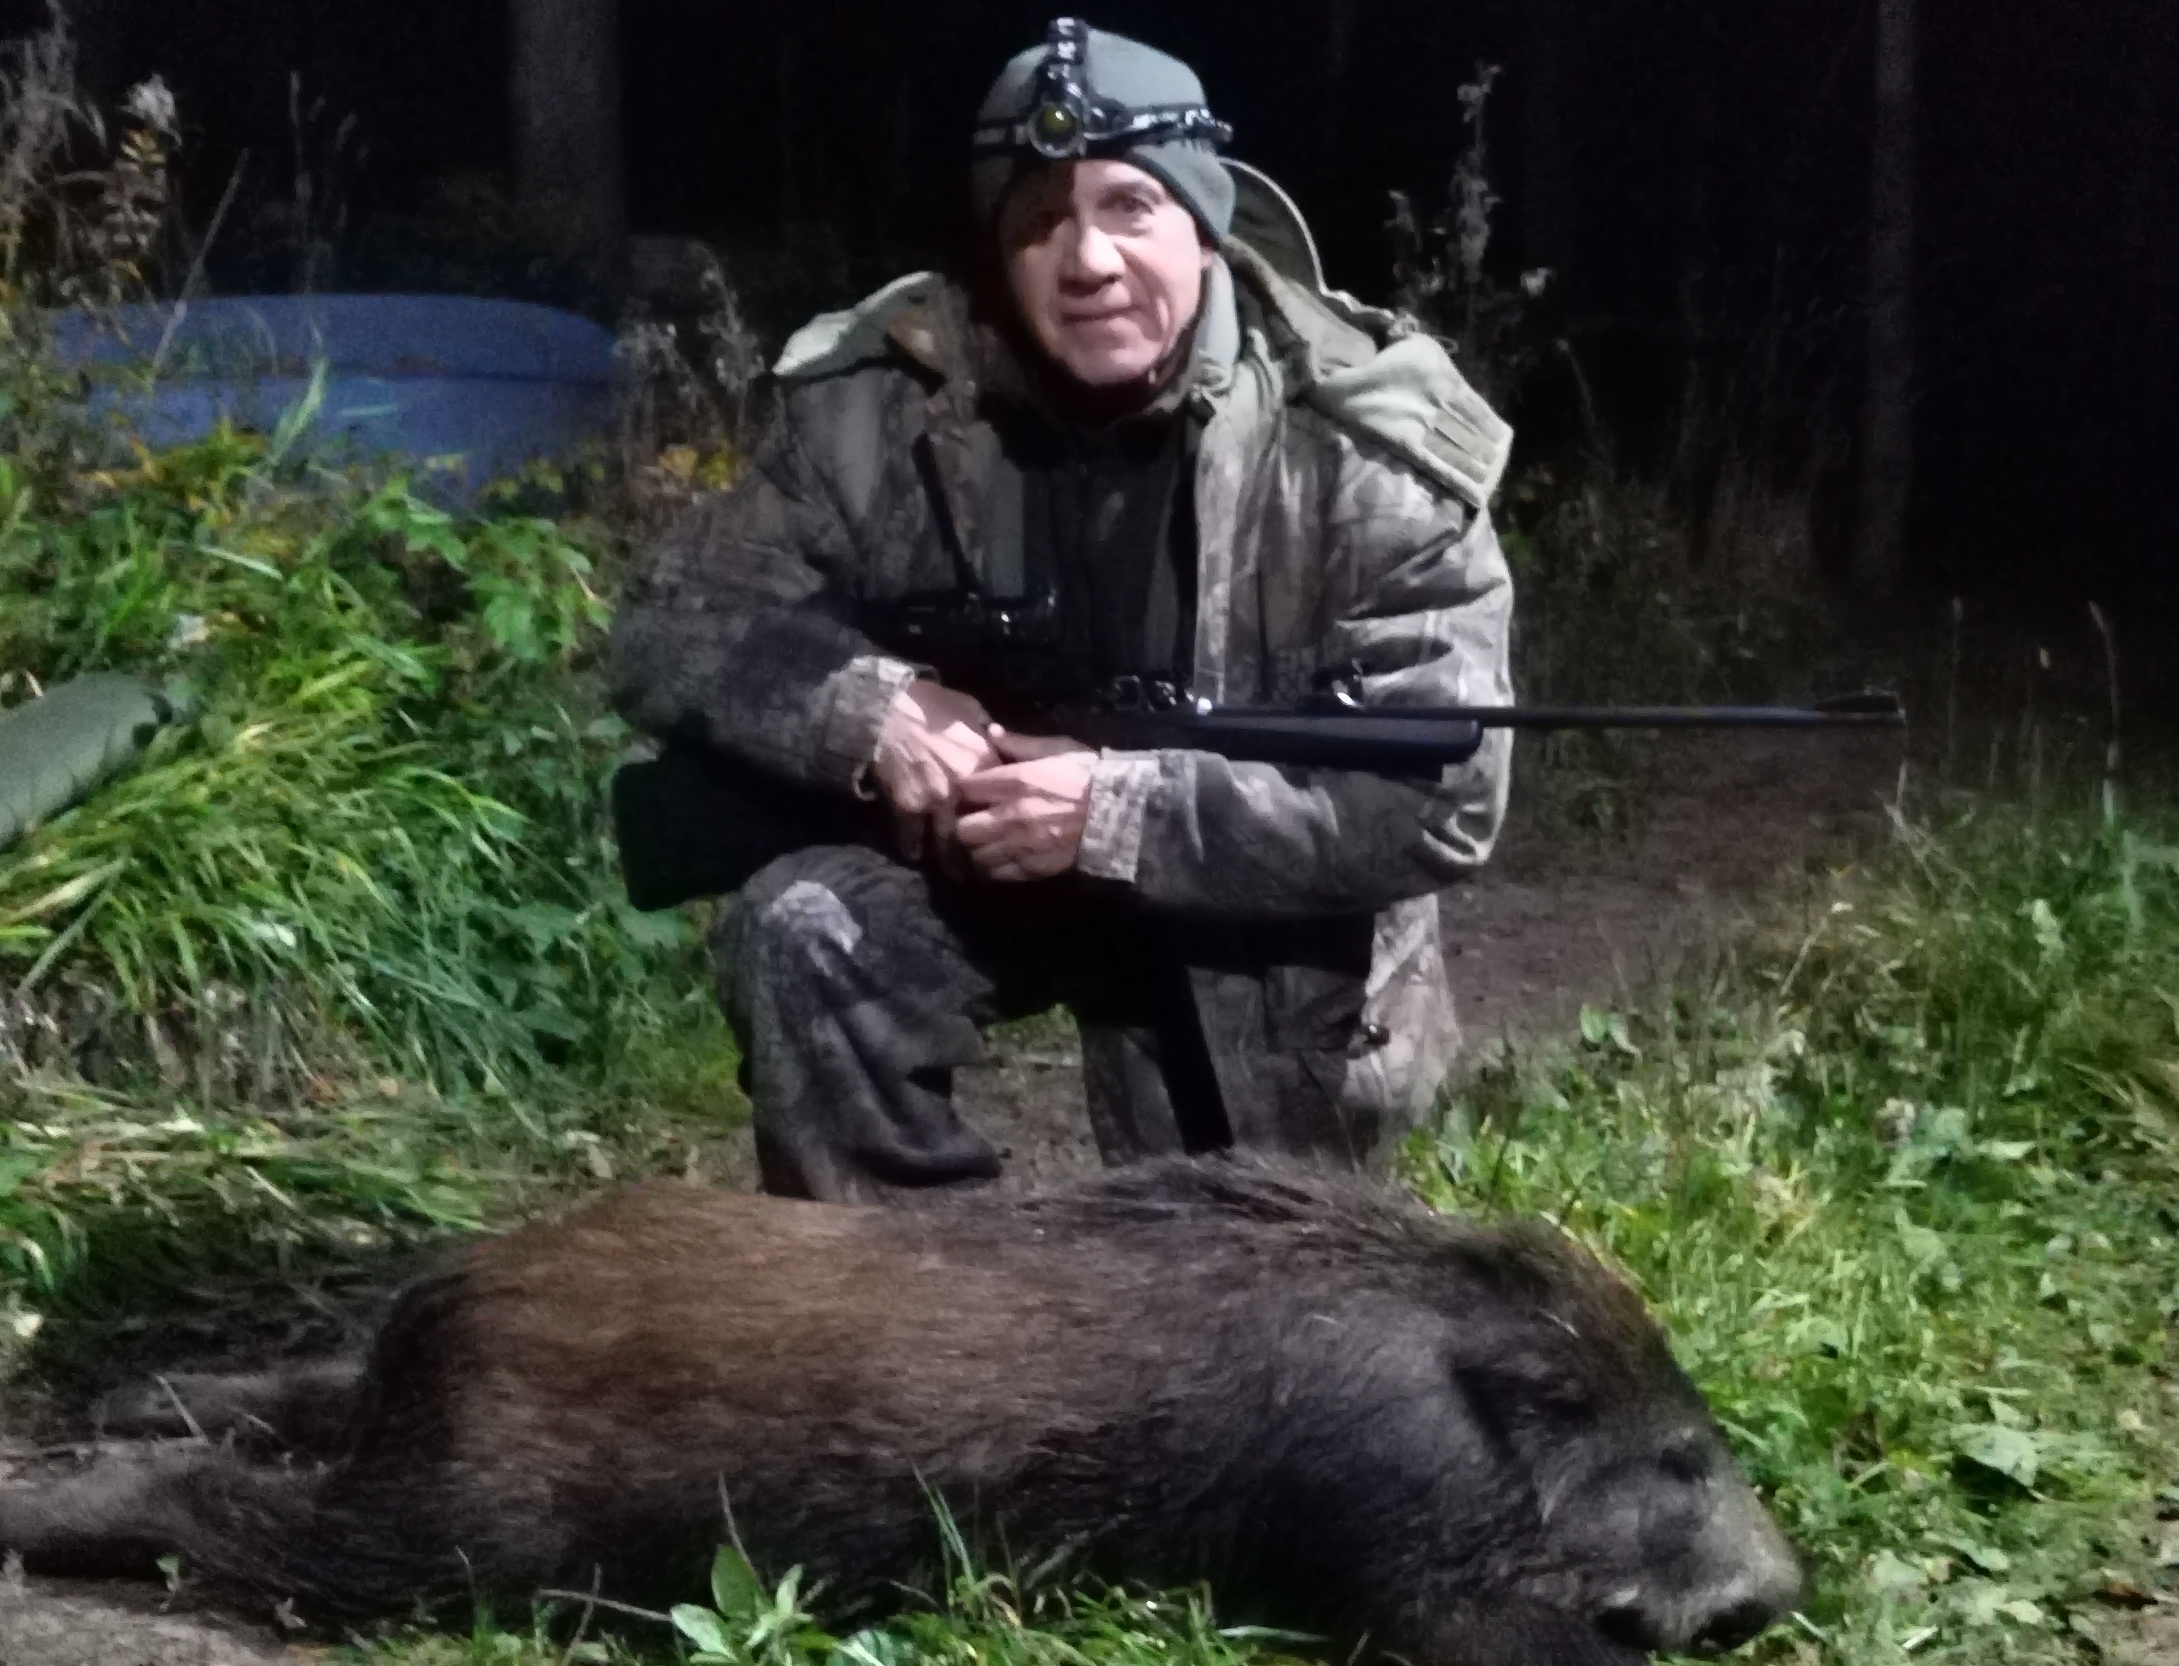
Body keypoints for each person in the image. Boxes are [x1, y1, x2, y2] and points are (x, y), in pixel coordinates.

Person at [608, 19, 1516, 1203]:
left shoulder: (1365, 450)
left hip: (1242, 905)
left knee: (1250, 1264)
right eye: (1040, 219)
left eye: (1131, 206)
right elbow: (673, 617)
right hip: (972, 869)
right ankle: (912, 1285)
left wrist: (1112, 815)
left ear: (1205, 224)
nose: (1086, 260)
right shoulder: (880, 405)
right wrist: (867, 712)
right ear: (999, 248)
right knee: (804, 930)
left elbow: (1445, 801)